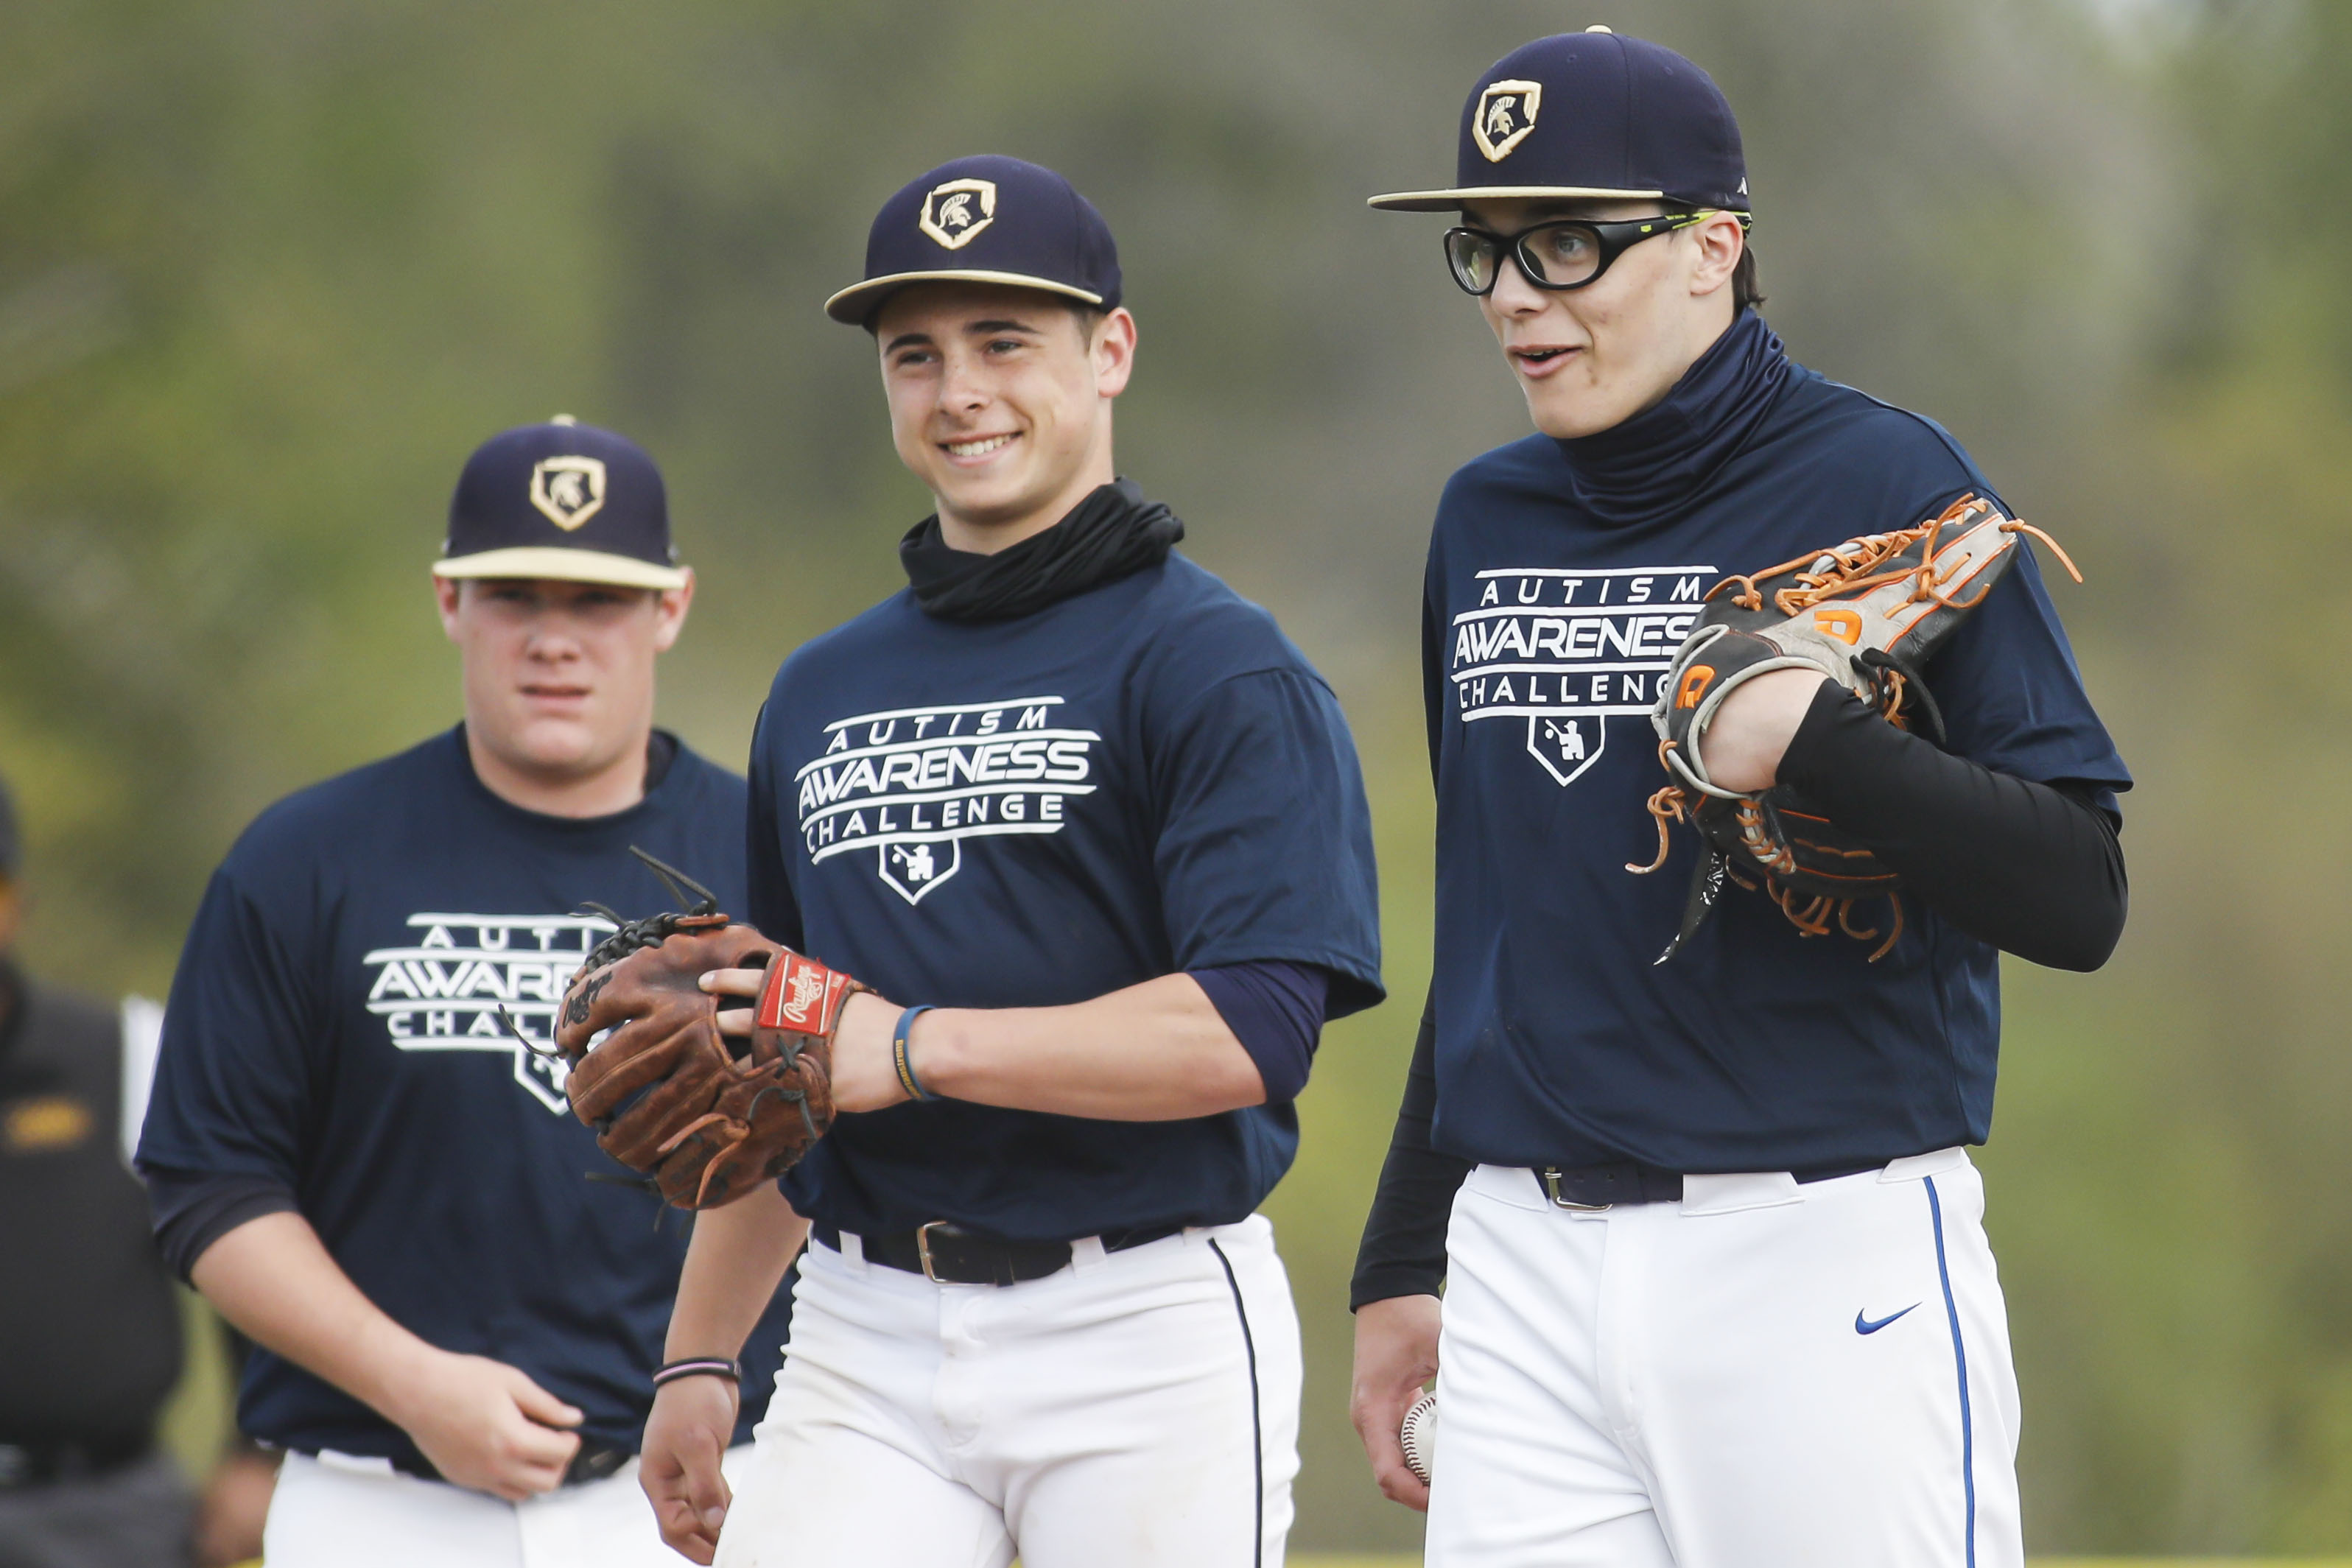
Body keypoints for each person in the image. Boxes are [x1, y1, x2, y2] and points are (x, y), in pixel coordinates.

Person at [1347, 31, 2130, 1568]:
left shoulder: (1887, 478)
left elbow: (2080, 893)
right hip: (1521, 1253)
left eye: (1568, 244)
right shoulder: (1479, 518)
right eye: (1486, 249)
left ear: (1715, 247)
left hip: (1815, 1248)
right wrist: (1400, 1251)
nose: (1516, 294)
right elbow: (1502, 919)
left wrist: (1832, 746)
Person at [635, 155, 1384, 1568]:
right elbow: (787, 1044)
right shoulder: (818, 688)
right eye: (914, 355)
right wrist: (699, 1350)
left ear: (1109, 352)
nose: (957, 390)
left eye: (1002, 344)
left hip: (1139, 1321)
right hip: (864, 1329)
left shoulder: (1216, 665)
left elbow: (1252, 1028)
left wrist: (914, 1047)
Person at [134, 418, 795, 1568]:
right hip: (381, 1496)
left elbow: (855, 1163)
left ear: (670, 609)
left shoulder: (772, 863)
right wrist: (413, 1384)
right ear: (449, 601)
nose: (554, 640)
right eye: (513, 597)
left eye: (598, 602)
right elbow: (206, 1185)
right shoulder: (306, 861)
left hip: (717, 1489)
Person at [0, 773, 191, 1567]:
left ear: (14, 902)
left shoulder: (127, 1047)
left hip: (105, 1512)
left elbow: (254, 1228)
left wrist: (258, 1449)